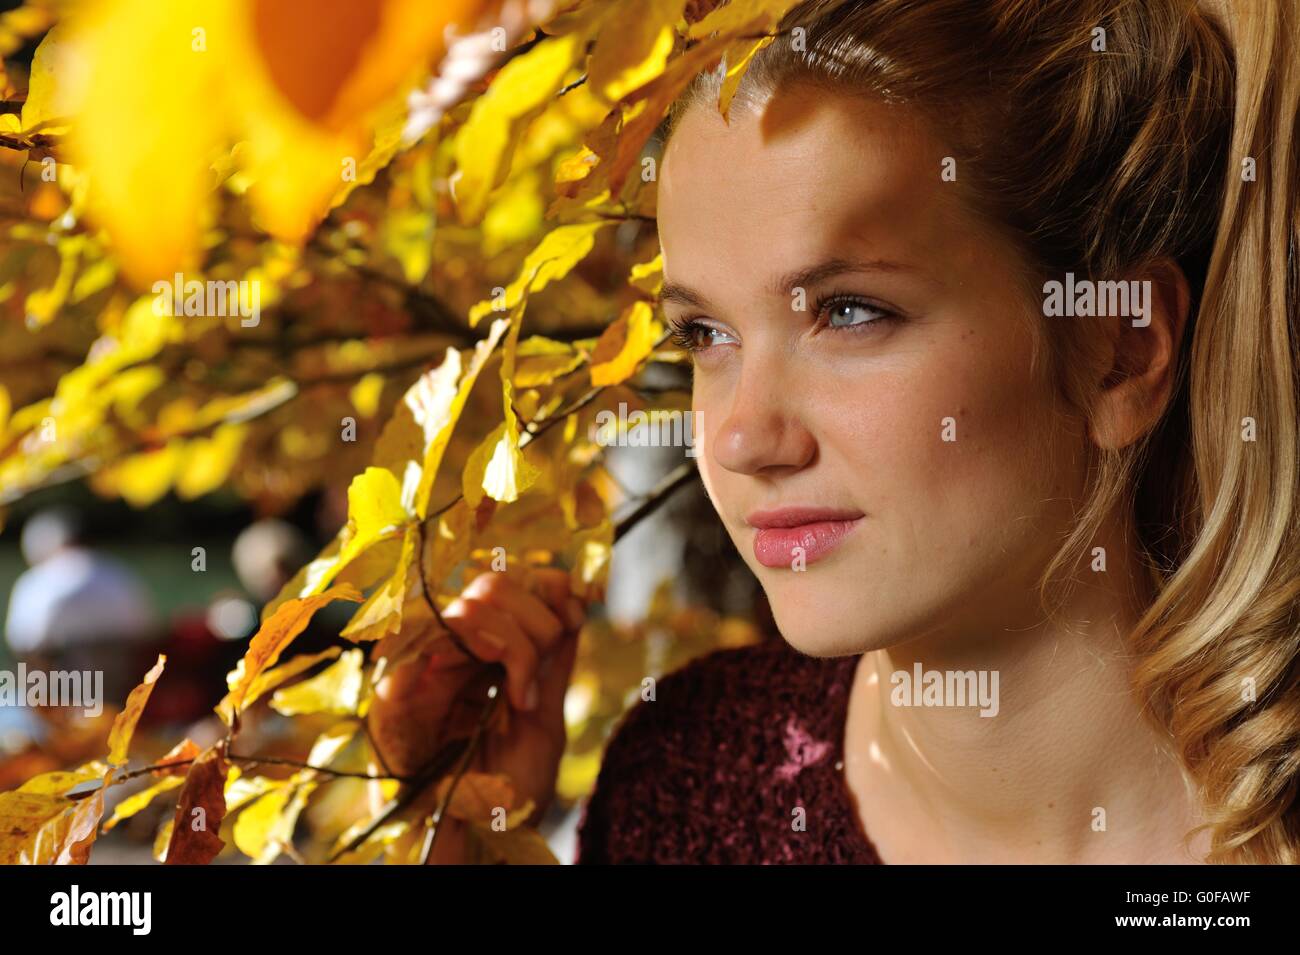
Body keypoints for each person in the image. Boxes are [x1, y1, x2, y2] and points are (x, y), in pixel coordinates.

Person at [369, 0, 1300, 864]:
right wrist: (462, 838)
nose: (739, 440)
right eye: (705, 334)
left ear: (1119, 350)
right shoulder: (688, 786)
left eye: (850, 313)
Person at [4, 508, 160, 707]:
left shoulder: (36, 581)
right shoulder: (120, 573)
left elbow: (22, 643)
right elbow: (149, 631)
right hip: (123, 694)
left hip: (61, 698)